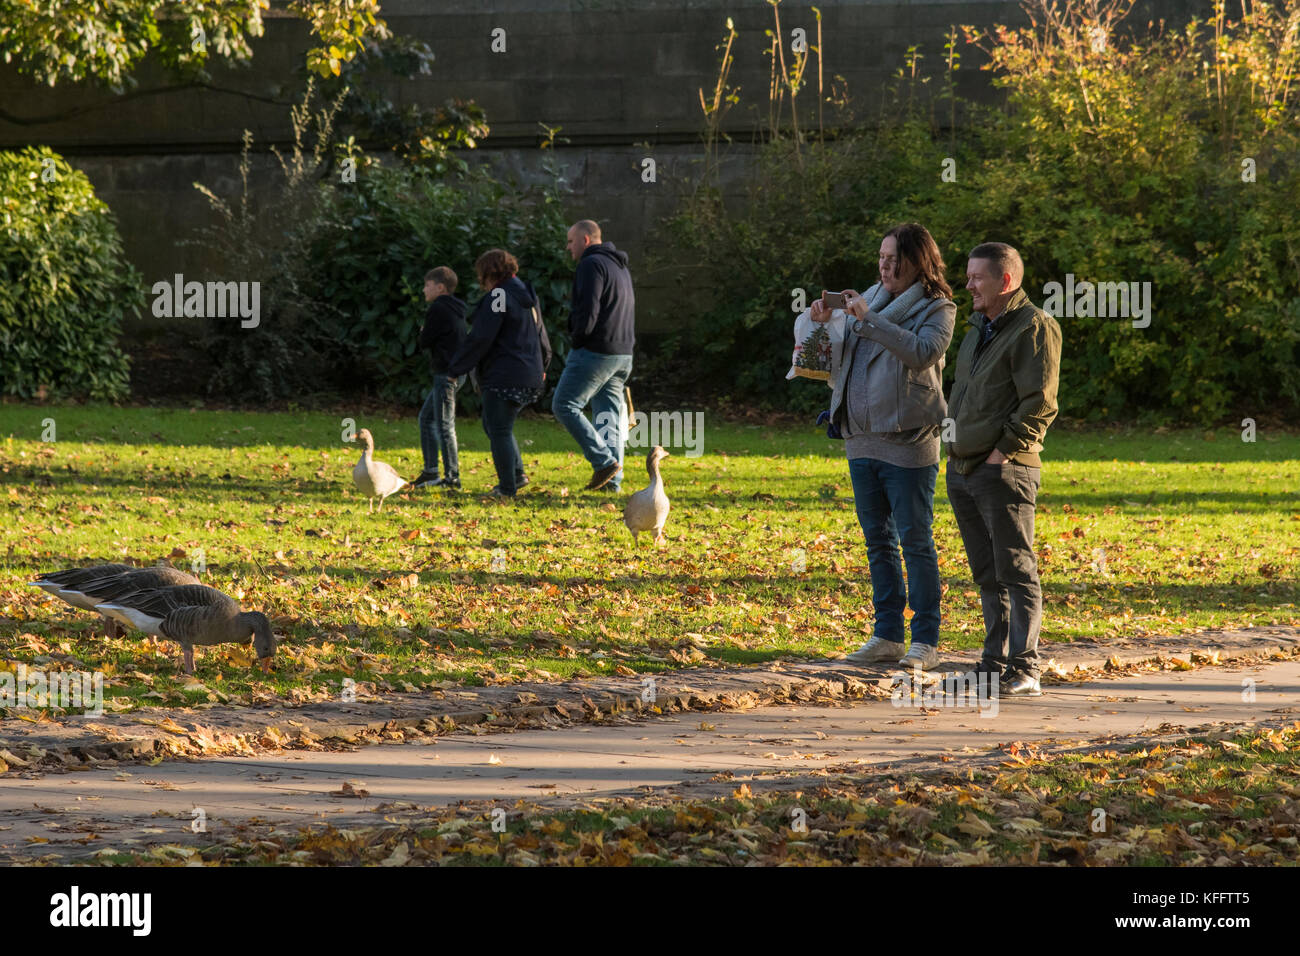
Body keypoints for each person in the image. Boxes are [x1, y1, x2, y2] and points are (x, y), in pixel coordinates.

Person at [812, 223, 956, 671]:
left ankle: (926, 640)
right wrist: (824, 326)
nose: (885, 265)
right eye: (881, 256)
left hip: (909, 441)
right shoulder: (869, 298)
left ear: (919, 262)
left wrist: (866, 320)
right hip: (860, 437)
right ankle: (887, 634)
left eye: (895, 259)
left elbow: (921, 353)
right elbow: (834, 361)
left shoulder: (938, 307)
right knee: (878, 541)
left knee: (915, 541)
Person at [944, 242, 1061, 696]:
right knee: (986, 570)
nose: (968, 284)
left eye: (976, 278)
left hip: (1004, 469)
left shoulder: (1035, 327)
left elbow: (1040, 403)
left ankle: (1025, 667)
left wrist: (1002, 455)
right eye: (969, 276)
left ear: (1005, 281)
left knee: (1016, 567)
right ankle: (993, 663)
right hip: (963, 466)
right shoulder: (979, 328)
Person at [446, 249, 552, 498]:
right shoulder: (527, 296)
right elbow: (541, 335)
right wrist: (543, 366)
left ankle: (507, 489)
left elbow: (482, 336)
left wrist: (456, 369)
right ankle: (516, 474)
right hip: (529, 372)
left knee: (499, 429)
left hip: (505, 373)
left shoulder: (499, 295)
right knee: (494, 425)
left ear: (488, 273)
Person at [552, 219, 635, 491]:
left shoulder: (590, 264)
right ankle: (613, 483)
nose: (568, 248)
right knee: (608, 415)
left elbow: (588, 309)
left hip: (596, 350)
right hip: (623, 353)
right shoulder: (619, 266)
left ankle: (603, 462)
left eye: (570, 241)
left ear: (586, 240)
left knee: (564, 404)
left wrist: (578, 338)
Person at [413, 266, 468, 490]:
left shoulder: (438, 309)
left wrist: (423, 331)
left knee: (444, 425)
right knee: (427, 419)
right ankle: (430, 471)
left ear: (440, 287)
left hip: (446, 373)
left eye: (427, 285)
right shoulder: (457, 309)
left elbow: (425, 341)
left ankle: (452, 477)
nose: (424, 289)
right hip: (457, 372)